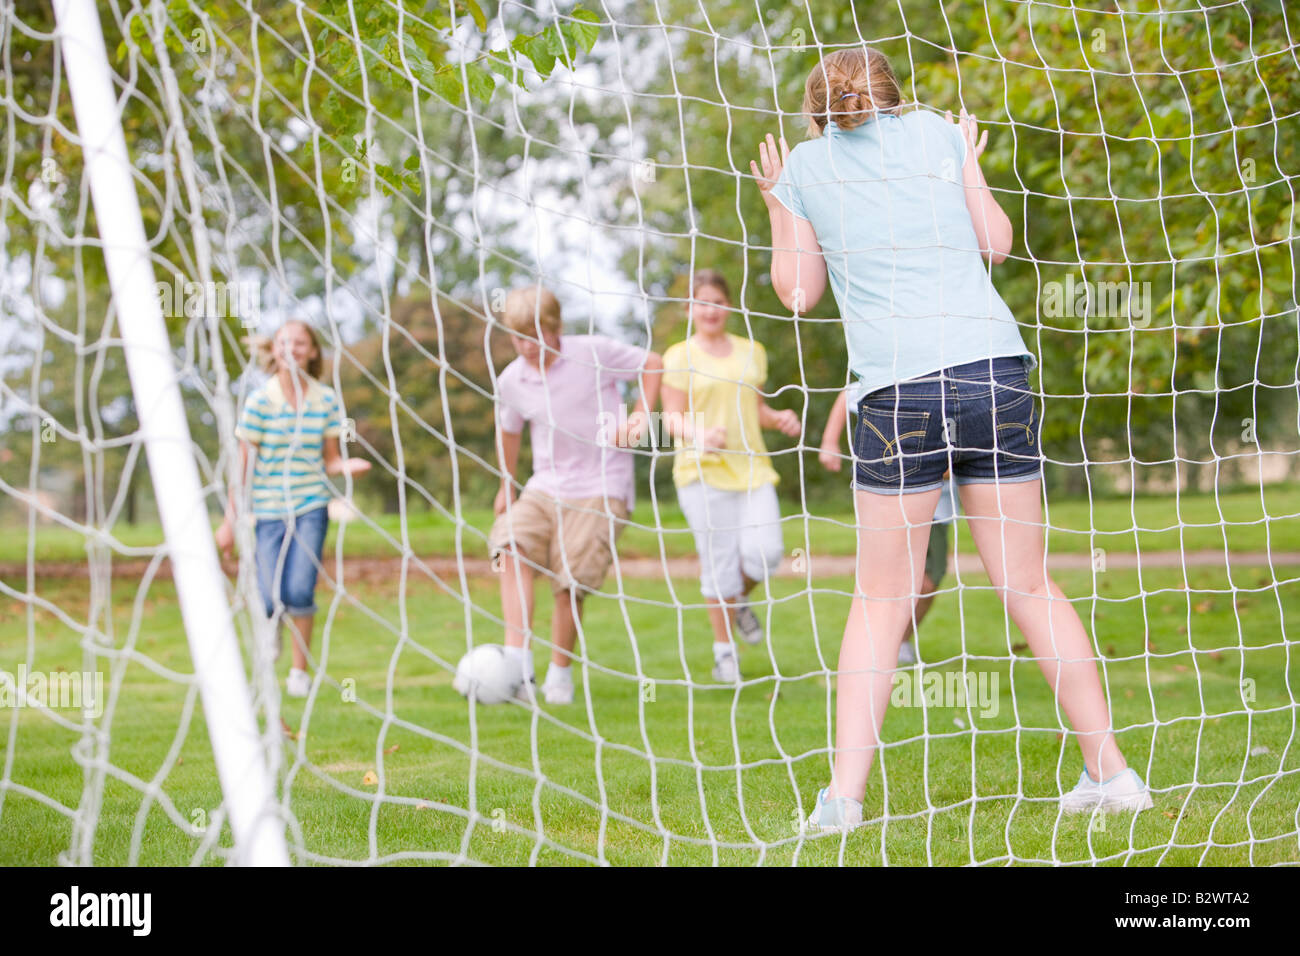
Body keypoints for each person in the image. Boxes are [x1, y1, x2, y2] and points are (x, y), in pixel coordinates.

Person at [753, 46, 1152, 827]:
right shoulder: (938, 132)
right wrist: (967, 162)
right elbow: (996, 244)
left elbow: (799, 294)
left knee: (878, 601)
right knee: (1030, 585)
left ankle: (842, 802)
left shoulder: (803, 162)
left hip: (899, 390)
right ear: (896, 98)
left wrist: (775, 199)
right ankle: (1115, 775)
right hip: (994, 373)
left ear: (816, 109)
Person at [490, 285, 663, 705]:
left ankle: (559, 676)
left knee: (570, 582)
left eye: (535, 336)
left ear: (556, 328)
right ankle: (519, 668)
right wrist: (505, 483)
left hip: (602, 485)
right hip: (545, 484)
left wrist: (642, 416)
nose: (526, 347)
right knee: (507, 546)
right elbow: (509, 431)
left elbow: (653, 363)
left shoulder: (593, 352)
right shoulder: (511, 379)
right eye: (517, 338)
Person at [659, 270, 801, 683]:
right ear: (689, 308)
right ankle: (726, 655)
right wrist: (700, 433)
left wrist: (779, 418)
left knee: (767, 553)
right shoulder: (679, 356)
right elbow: (671, 420)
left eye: (717, 301)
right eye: (701, 302)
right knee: (718, 564)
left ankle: (736, 602)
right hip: (701, 472)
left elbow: (754, 409)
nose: (710, 310)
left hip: (753, 468)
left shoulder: (750, 351)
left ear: (729, 306)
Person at [216, 320, 370, 698]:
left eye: (300, 343)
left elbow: (330, 459)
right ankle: (272, 640)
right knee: (270, 597)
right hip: (268, 511)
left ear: (313, 351)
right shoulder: (260, 401)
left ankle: (299, 674)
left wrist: (345, 467)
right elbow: (244, 468)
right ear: (274, 351)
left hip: (311, 506)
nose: (292, 349)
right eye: (284, 342)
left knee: (300, 591)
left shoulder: (326, 399)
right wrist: (229, 522)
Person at [820, 388, 958, 666]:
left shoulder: (953, 388)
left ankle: (901, 640)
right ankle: (875, 648)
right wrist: (829, 441)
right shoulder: (893, 375)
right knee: (886, 578)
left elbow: (955, 457)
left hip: (939, 504)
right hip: (891, 495)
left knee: (931, 579)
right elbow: (847, 394)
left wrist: (943, 465)